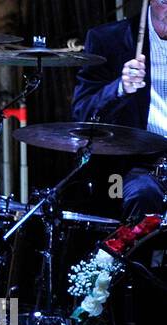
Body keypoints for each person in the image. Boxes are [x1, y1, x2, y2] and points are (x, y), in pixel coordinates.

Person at [74, 2, 167, 219]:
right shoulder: (109, 40)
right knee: (143, 195)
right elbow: (82, 111)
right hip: (138, 164)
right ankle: (135, 253)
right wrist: (120, 88)